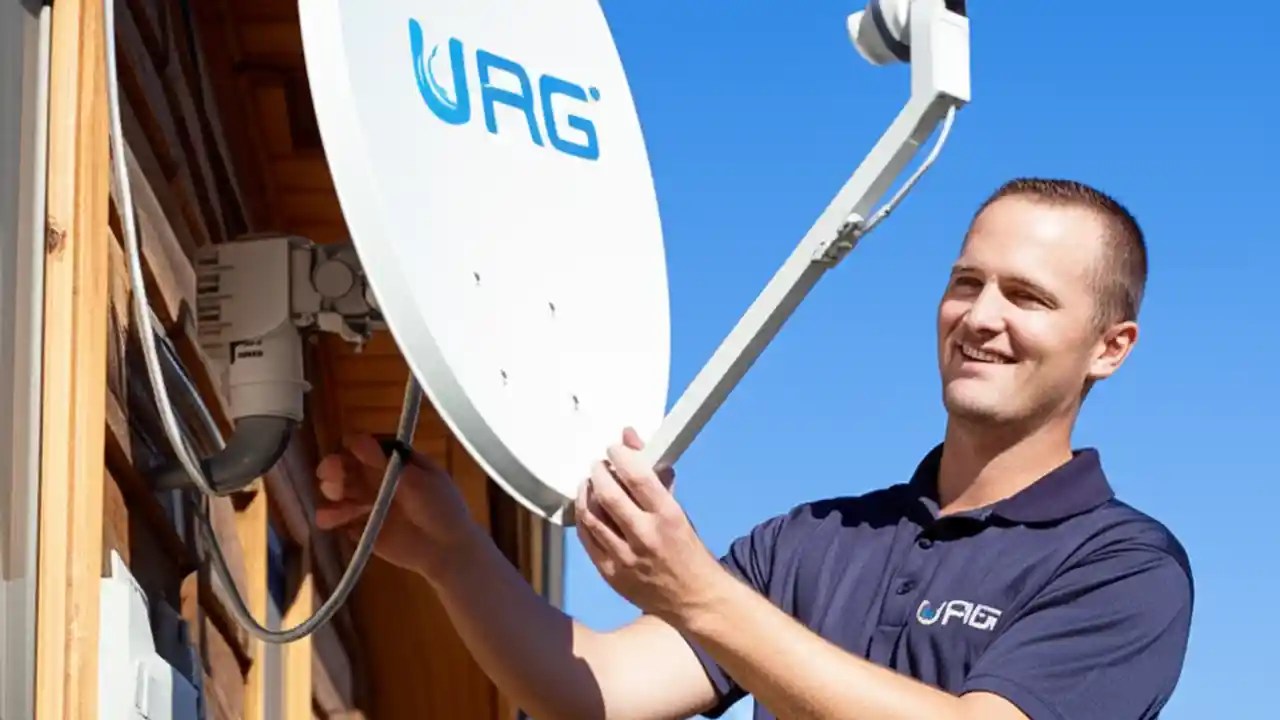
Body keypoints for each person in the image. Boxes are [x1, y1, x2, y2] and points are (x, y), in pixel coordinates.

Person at [315, 177, 1194, 720]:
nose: (982, 317)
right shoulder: (814, 540)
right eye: (967, 282)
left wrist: (699, 594)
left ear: (1110, 347)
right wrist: (453, 554)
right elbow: (605, 691)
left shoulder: (1123, 568)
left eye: (1028, 297)